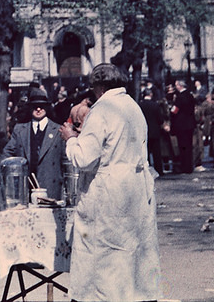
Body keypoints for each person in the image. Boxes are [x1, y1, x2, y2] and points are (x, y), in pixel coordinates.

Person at [59, 63, 160, 301]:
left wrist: (71, 139)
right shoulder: (133, 106)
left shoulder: (102, 110)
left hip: (108, 192)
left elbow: (84, 158)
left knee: (104, 260)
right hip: (135, 188)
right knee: (132, 255)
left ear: (99, 87)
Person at [0, 89, 66, 198]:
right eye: (35, 106)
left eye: (42, 106)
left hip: (51, 190)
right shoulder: (20, 130)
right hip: (25, 190)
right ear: (30, 108)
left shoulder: (58, 130)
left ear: (47, 107)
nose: (38, 109)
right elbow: (6, 155)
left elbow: (66, 161)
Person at [170, 79, 197, 174]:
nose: (175, 87)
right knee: (189, 146)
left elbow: (174, 111)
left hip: (181, 125)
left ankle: (184, 166)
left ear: (180, 86)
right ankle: (189, 167)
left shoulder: (179, 97)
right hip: (190, 124)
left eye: (176, 85)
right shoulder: (190, 96)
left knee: (182, 146)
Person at [139, 88, 166, 175]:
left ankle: (147, 170)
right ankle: (159, 170)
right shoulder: (155, 105)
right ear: (150, 94)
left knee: (146, 152)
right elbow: (160, 119)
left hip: (144, 131)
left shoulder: (140, 105)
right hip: (155, 131)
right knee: (157, 152)